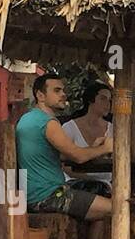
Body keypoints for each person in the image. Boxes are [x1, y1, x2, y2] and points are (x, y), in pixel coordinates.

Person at [17, 73, 114, 220]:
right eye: (57, 91)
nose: (63, 95)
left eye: (63, 90)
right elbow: (78, 156)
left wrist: (93, 149)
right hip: (49, 195)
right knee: (119, 209)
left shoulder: (28, 119)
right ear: (40, 95)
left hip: (34, 193)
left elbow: (61, 154)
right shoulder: (47, 123)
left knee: (100, 197)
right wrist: (105, 148)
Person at [61, 80, 114, 185]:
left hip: (108, 184)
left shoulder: (112, 128)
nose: (107, 104)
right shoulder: (69, 127)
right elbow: (65, 166)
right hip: (76, 183)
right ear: (91, 100)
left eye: (109, 100)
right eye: (103, 99)